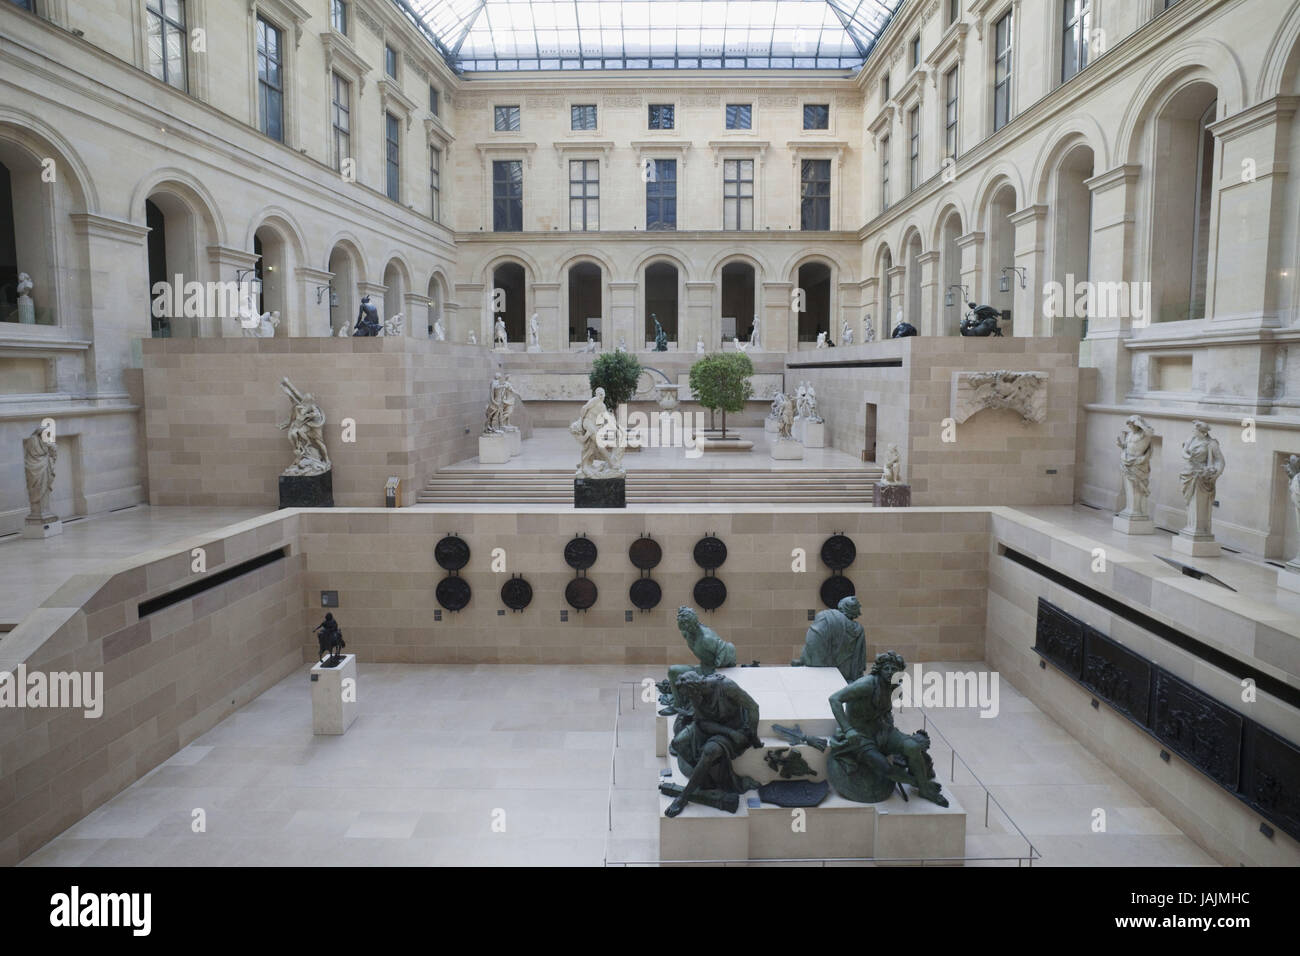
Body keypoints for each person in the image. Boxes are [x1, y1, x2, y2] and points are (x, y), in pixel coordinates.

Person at [827, 651, 948, 806]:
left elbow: (885, 712)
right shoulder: (866, 684)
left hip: (882, 731)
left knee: (912, 747)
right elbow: (834, 699)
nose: (890, 672)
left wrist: (891, 731)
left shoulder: (893, 687)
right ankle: (919, 783)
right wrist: (848, 729)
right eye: (887, 668)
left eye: (894, 669)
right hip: (861, 735)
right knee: (885, 767)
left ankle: (924, 789)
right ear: (879, 669)